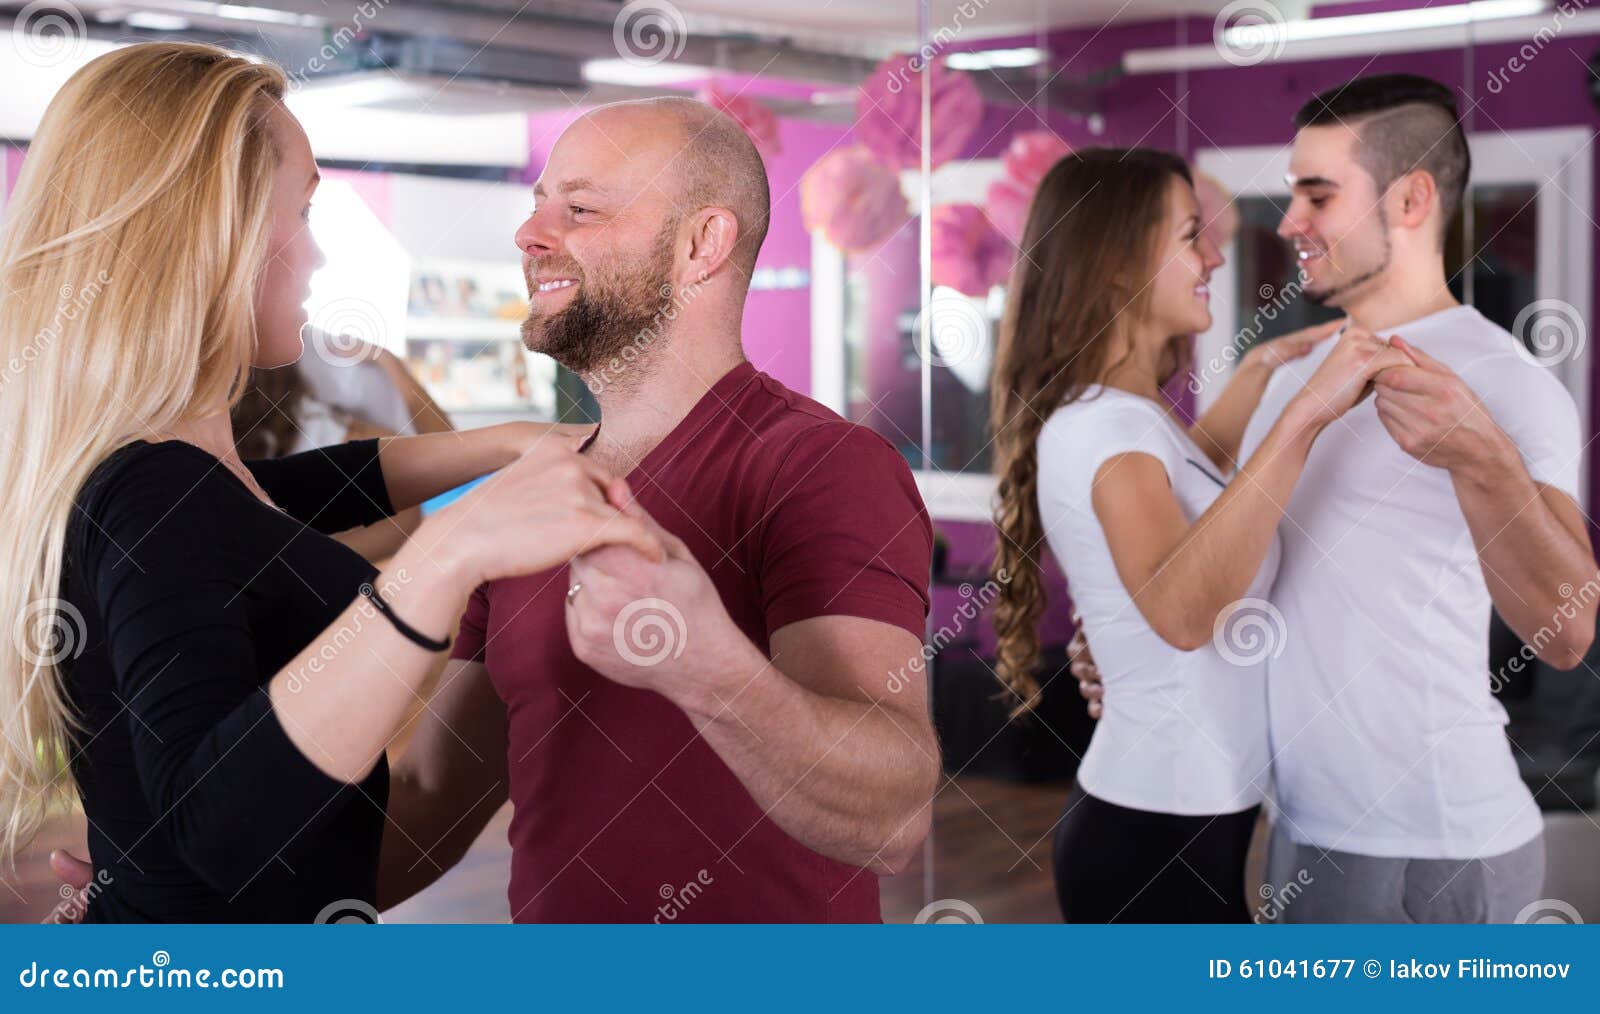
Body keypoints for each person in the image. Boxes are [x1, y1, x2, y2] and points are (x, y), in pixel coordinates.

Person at [0, 42, 662, 922]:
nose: (316, 257)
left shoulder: (179, 473)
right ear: (214, 234)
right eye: (303, 213)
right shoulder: (155, 492)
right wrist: (447, 557)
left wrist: (499, 446)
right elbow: (217, 831)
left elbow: (274, 511)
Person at [358, 96, 941, 923]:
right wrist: (197, 904)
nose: (531, 236)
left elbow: (889, 820)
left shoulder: (821, 465)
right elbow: (429, 798)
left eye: (581, 208)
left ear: (702, 245)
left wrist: (706, 666)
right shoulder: (529, 494)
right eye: (538, 205)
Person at [1072, 74, 1597, 923]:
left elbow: (1567, 633)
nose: (1289, 224)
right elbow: (1239, 586)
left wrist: (1482, 460)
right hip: (1304, 827)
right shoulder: (1293, 384)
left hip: (1434, 840)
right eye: (1292, 195)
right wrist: (1128, 643)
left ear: (1412, 198)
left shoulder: (1506, 382)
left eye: (1319, 195)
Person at [987, 147, 1403, 922]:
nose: (1214, 254)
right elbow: (1182, 614)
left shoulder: (1131, 419)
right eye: (1189, 236)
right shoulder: (1108, 428)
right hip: (1150, 840)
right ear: (1116, 266)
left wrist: (1265, 371)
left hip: (1184, 823)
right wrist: (1305, 413)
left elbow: (1199, 484)